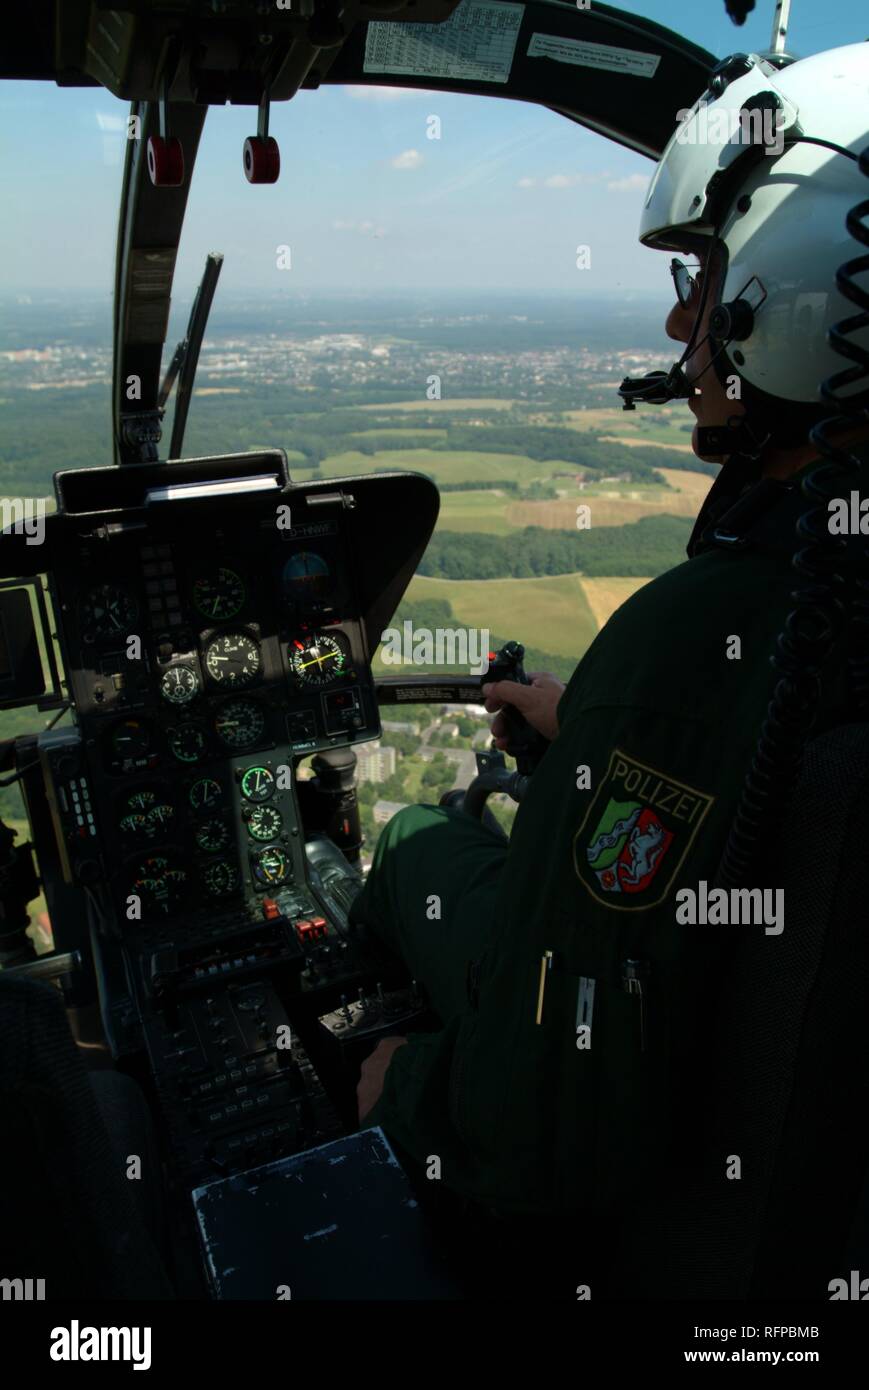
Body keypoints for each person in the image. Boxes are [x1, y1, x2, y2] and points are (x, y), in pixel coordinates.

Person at [349, 43, 869, 1233]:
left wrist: (408, 1093)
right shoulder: (815, 593)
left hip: (652, 1196)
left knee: (419, 837)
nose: (681, 317)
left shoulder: (711, 626)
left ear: (799, 281)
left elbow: (549, 1114)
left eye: (703, 272)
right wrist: (590, 720)